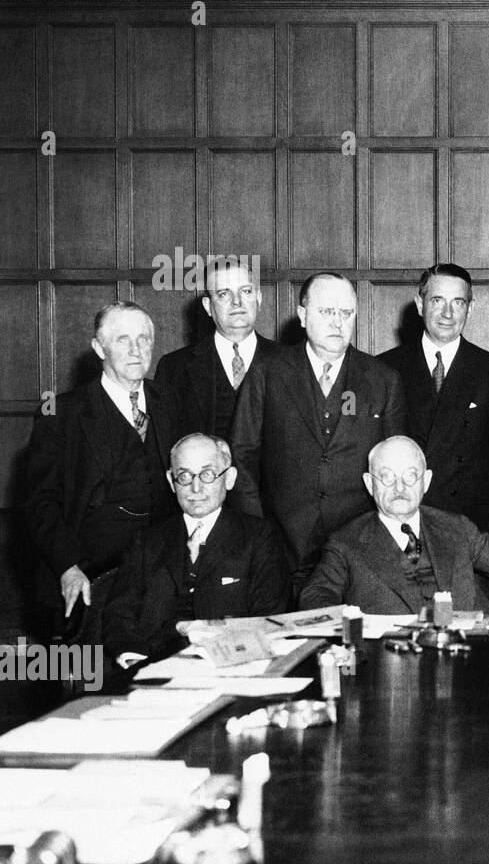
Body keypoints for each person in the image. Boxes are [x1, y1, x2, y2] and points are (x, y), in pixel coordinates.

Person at [229, 273, 406, 591]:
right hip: (280, 551)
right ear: (302, 315)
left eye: (346, 313)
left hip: (359, 554)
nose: (337, 322)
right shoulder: (266, 373)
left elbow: (397, 465)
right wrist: (260, 530)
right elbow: (241, 456)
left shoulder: (383, 380)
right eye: (327, 312)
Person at [26, 302, 178, 639]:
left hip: (162, 567)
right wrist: (68, 567)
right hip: (89, 570)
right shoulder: (61, 414)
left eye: (144, 339)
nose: (136, 350)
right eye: (123, 340)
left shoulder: (171, 400)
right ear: (99, 348)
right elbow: (41, 504)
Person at [101, 433, 291, 664]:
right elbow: (119, 614)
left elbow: (269, 617)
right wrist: (131, 656)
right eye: (184, 476)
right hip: (151, 667)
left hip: (230, 665)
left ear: (229, 478)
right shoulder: (148, 541)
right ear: (171, 482)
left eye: (207, 474)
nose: (195, 487)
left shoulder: (258, 537)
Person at [300, 436, 489, 616]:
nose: (399, 487)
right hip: (387, 666)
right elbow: (316, 596)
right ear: (369, 484)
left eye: (410, 476)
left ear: (426, 482)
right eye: (386, 477)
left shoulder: (457, 528)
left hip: (465, 660)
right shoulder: (345, 542)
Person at [379, 263, 489, 531]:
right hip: (402, 520)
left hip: (469, 527)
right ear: (420, 304)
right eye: (437, 300)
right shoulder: (385, 369)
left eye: (458, 302)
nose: (447, 313)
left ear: (470, 308)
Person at [153, 257, 277, 443]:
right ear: (207, 306)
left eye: (246, 291)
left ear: (258, 299)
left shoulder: (289, 361)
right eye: (224, 293)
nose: (237, 302)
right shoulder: (174, 368)